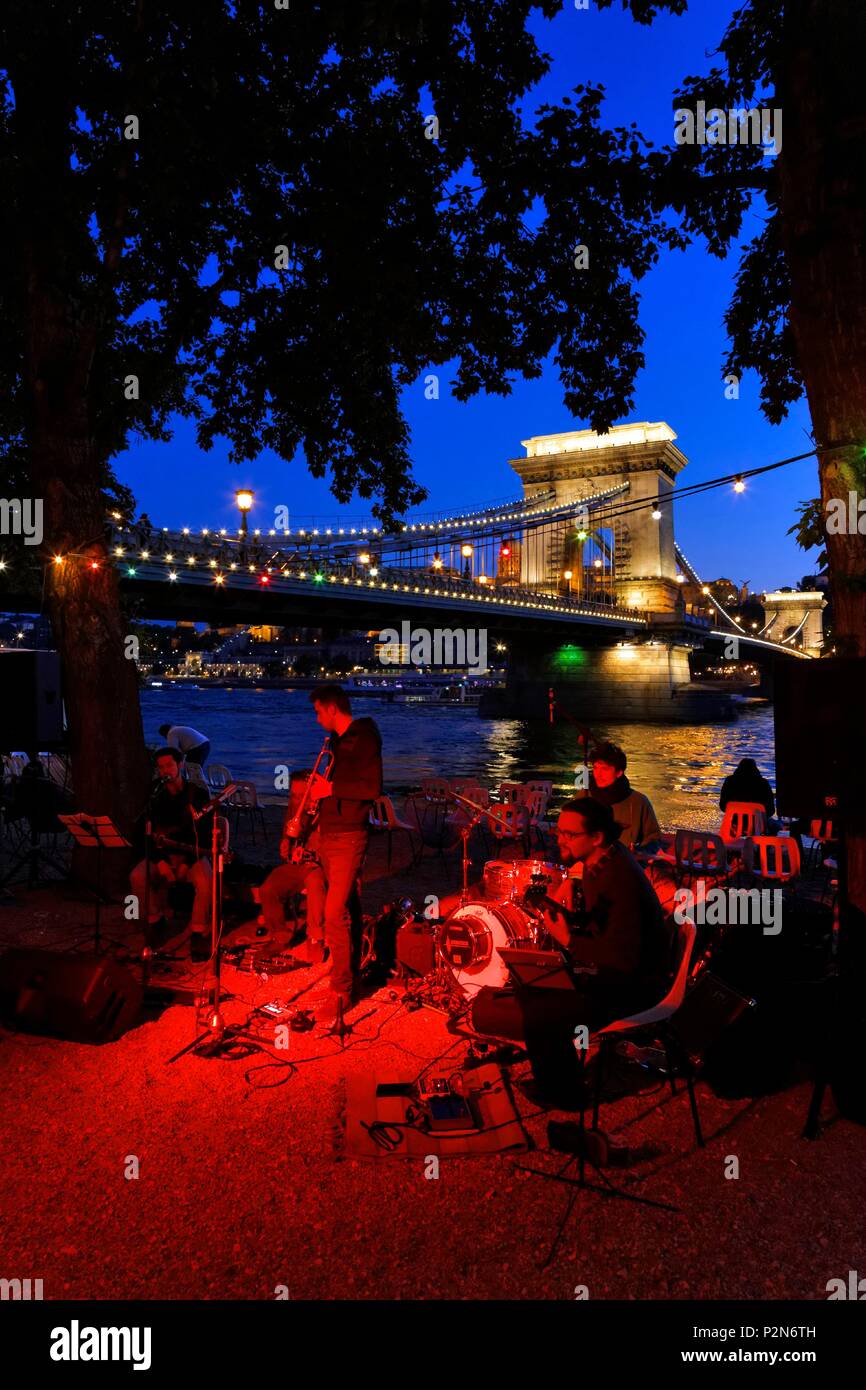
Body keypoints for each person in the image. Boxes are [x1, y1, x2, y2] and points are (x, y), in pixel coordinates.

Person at [473, 798, 670, 1109]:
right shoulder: (599, 863)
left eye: (569, 834)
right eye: (559, 832)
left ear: (597, 837)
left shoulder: (618, 878)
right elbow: (602, 929)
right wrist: (569, 922)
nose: (560, 839)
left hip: (635, 985)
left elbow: (624, 959)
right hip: (616, 971)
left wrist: (568, 940)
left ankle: (565, 1095)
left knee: (543, 1009)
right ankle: (556, 1078)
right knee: (531, 982)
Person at [302, 684, 383, 1024]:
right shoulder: (335, 742)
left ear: (332, 709)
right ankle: (352, 973)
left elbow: (371, 789)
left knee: (334, 914)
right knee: (347, 906)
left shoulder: (363, 738)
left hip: (350, 835)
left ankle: (342, 989)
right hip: (331, 833)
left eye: (319, 711)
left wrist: (330, 788)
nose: (317, 717)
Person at [130, 747, 213, 960]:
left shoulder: (198, 794)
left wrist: (186, 862)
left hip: (192, 855)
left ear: (180, 765)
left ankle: (198, 931)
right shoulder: (155, 796)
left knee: (206, 882)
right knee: (138, 876)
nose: (165, 770)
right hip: (163, 856)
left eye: (169, 765)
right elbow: (146, 833)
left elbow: (204, 836)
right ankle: (156, 921)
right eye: (161, 767)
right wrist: (160, 861)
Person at [576, 740, 661, 851]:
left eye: (605, 769)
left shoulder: (638, 802)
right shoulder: (584, 796)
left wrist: (638, 851)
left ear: (619, 772)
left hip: (624, 863)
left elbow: (653, 838)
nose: (598, 774)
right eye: (596, 768)